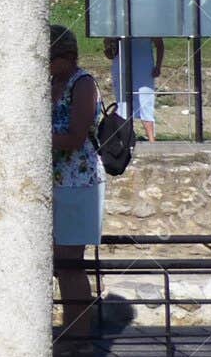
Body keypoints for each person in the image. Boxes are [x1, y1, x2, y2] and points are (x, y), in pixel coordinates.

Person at [50, 24, 102, 338]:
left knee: (70, 261)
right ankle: (69, 330)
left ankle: (79, 335)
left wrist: (33, 137)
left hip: (78, 183)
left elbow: (76, 136)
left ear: (67, 56)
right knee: (58, 262)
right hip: (55, 182)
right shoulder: (49, 82)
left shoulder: (82, 84)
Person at [104, 36, 164, 144]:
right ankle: (124, 139)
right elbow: (107, 42)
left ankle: (151, 140)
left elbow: (159, 44)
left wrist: (158, 66)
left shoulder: (149, 24)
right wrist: (109, 46)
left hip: (143, 66)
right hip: (121, 64)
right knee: (122, 102)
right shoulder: (118, 22)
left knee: (146, 101)